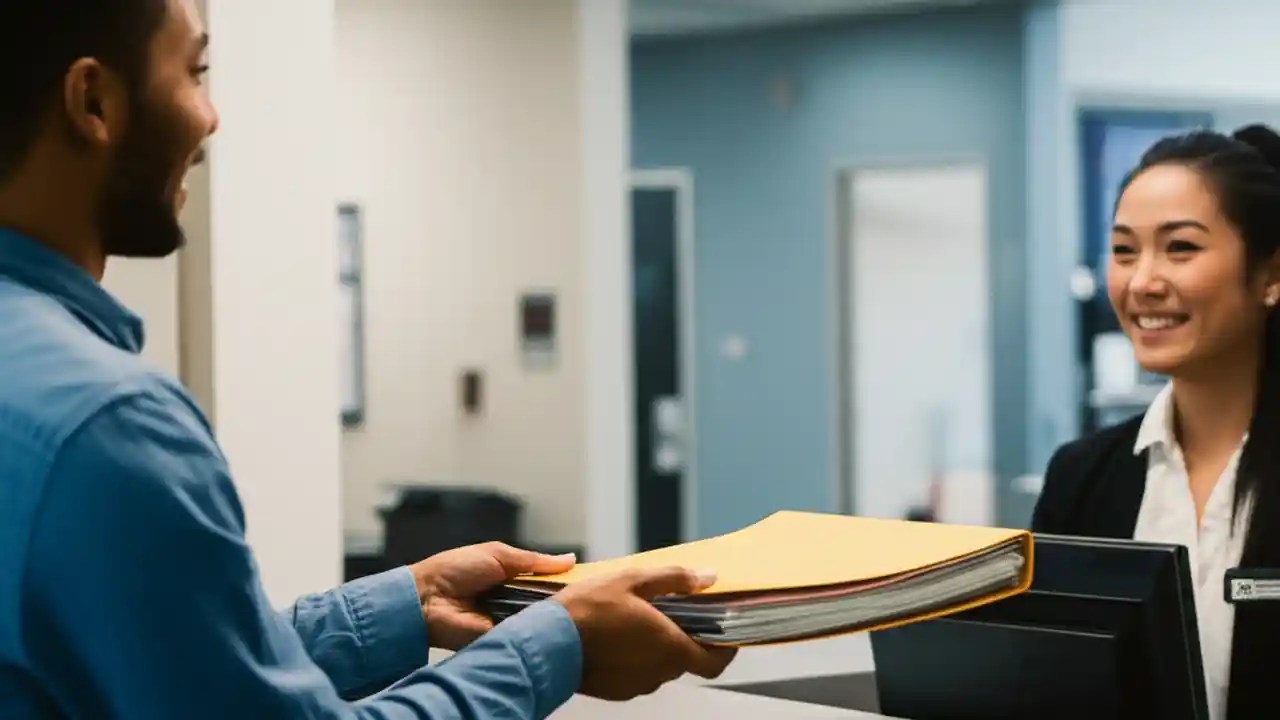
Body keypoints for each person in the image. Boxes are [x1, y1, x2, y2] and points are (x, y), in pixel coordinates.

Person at [0, 1, 736, 718]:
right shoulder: (109, 425)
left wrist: (406, 604)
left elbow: (189, 673)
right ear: (93, 101)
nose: (209, 118)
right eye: (196, 73)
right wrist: (559, 643)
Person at [1032, 123, 1280, 720]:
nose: (1143, 282)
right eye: (1124, 251)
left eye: (1181, 248)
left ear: (1271, 275)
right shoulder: (1080, 479)